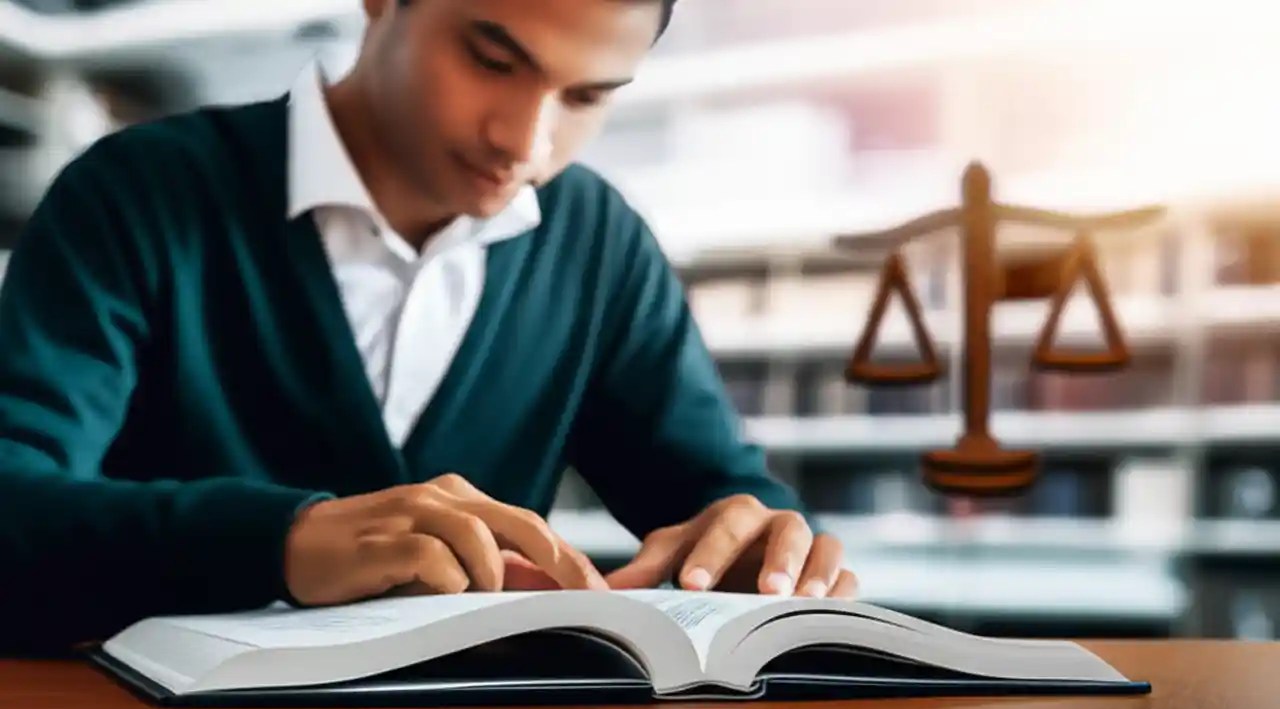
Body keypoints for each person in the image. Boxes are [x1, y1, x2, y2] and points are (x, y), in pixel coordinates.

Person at [0, 0, 857, 654]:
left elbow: (721, 497)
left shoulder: (598, 243)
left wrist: (763, 548)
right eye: (492, 60)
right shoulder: (140, 194)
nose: (525, 142)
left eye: (588, 95)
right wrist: (281, 542)